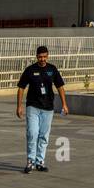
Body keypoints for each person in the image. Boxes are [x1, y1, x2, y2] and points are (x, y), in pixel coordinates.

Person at [16, 46, 67, 174]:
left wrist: (64, 104)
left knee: (44, 135)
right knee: (32, 133)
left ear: (48, 56)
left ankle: (40, 161)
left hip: (48, 108)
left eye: (44, 57)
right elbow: (21, 88)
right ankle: (30, 161)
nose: (42, 59)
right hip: (33, 106)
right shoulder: (30, 70)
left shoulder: (52, 69)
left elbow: (60, 87)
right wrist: (19, 106)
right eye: (40, 57)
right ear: (36, 56)